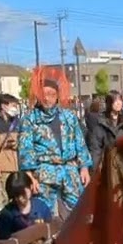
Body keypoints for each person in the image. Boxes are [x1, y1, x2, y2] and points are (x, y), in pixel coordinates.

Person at [16, 75, 92, 218]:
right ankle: (47, 239)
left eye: (51, 95)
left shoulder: (69, 117)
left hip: (70, 170)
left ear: (57, 96)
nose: (47, 98)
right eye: (44, 95)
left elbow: (80, 143)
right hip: (44, 172)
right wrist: (29, 177)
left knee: (81, 210)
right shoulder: (29, 120)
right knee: (42, 214)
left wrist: (84, 167)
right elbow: (25, 149)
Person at [0, 93, 21, 208]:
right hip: (4, 166)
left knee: (20, 195)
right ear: (3, 106)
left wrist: (18, 144)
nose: (15, 109)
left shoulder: (18, 122)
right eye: (13, 105)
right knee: (7, 195)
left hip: (20, 164)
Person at [0, 172, 54, 240]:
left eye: (23, 193)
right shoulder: (7, 214)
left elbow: (50, 231)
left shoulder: (41, 208)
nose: (20, 198)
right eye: (16, 195)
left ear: (31, 187)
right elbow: (3, 241)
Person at [86, 91, 123, 164]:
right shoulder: (100, 122)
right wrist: (96, 169)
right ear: (109, 103)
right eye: (115, 100)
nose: (118, 103)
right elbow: (95, 149)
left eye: (120, 100)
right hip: (107, 164)